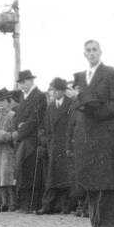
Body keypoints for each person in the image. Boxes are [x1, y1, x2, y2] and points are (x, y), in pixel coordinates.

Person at [72, 41, 114, 227]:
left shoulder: (111, 74)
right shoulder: (81, 77)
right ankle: (95, 223)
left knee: (106, 182)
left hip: (106, 136)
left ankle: (106, 225)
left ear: (100, 52)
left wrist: (97, 112)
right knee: (91, 181)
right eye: (88, 50)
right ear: (84, 54)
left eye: (95, 50)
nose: (92, 53)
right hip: (87, 138)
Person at [12, 70, 47, 212]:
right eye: (20, 83)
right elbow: (17, 117)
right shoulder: (22, 96)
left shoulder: (39, 96)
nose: (22, 85)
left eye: (24, 82)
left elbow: (35, 118)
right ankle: (24, 203)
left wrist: (21, 131)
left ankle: (33, 204)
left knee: (33, 173)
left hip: (33, 140)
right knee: (23, 172)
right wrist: (17, 127)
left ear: (31, 81)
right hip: (23, 139)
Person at [40, 78, 74, 215]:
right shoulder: (50, 107)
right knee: (52, 177)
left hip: (66, 145)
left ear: (62, 91)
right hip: (53, 146)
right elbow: (45, 126)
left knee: (65, 178)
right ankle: (48, 206)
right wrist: (46, 139)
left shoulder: (71, 104)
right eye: (53, 90)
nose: (54, 93)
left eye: (56, 90)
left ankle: (66, 206)